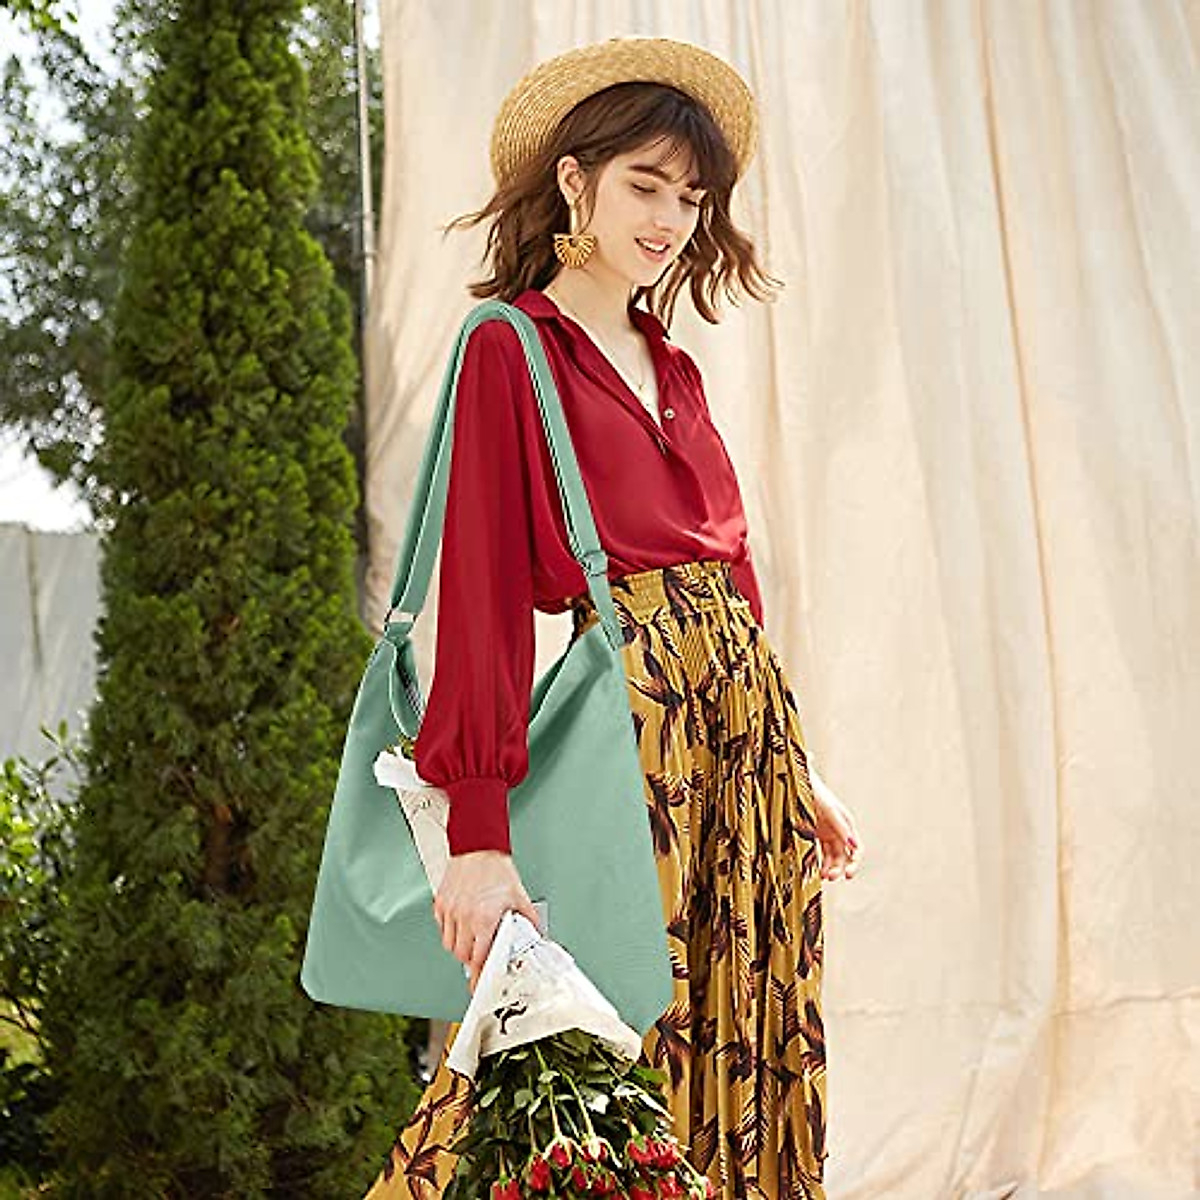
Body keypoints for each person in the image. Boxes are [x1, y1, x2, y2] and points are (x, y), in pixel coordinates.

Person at [365, 35, 863, 1200]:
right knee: (600, 1033)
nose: (671, 221)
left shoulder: (673, 366)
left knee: (735, 1023)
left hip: (743, 740)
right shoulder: (511, 347)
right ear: (574, 181)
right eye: (646, 186)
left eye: (691, 199)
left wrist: (796, 770)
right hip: (638, 730)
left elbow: (729, 572)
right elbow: (483, 592)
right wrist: (479, 831)